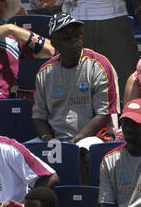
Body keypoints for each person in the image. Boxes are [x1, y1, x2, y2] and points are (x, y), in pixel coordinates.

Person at [31, 14, 119, 145]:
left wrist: (72, 144)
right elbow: (39, 117)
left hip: (95, 136)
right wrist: (49, 141)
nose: (74, 39)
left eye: (77, 34)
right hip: (56, 139)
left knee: (83, 150)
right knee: (25, 151)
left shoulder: (99, 65)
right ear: (54, 42)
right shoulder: (44, 73)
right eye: (67, 36)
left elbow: (104, 115)